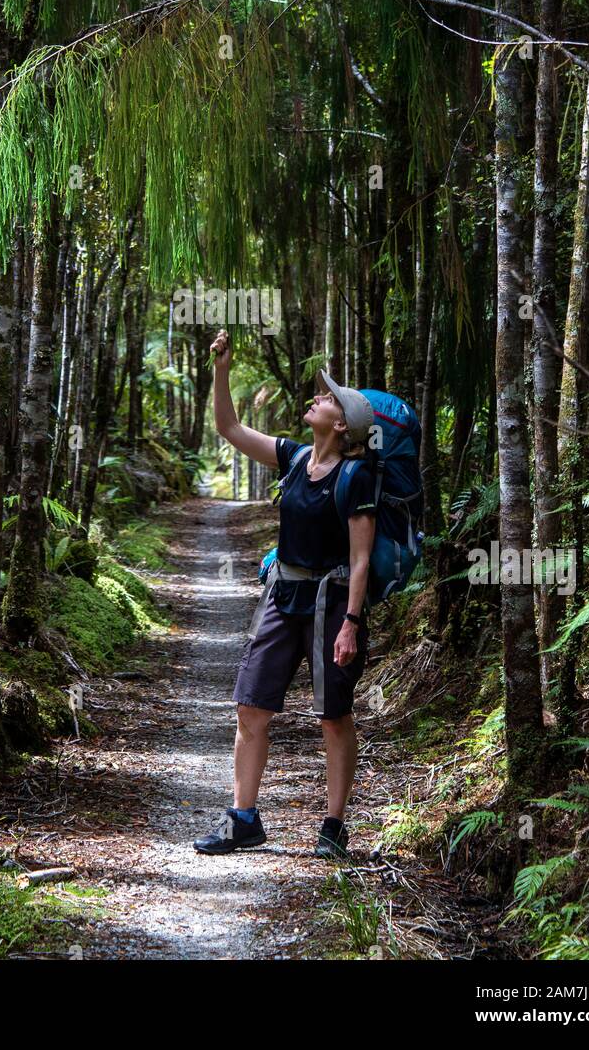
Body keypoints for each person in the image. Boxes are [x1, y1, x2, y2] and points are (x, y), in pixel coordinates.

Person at [194, 328, 378, 860]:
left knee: (333, 715)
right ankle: (243, 820)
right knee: (250, 706)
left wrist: (352, 622)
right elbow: (229, 427)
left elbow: (361, 558)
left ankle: (334, 827)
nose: (316, 398)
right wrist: (221, 369)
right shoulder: (296, 459)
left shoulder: (356, 477)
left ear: (341, 425)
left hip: (330, 604)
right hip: (282, 597)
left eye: (326, 399)